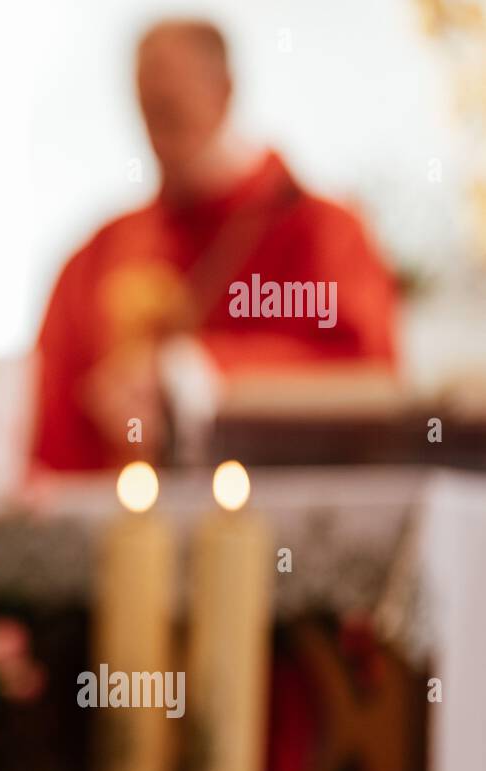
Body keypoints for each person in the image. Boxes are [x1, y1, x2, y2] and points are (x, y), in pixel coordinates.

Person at [31, 18, 397, 472]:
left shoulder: (320, 231)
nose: (160, 125)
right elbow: (48, 435)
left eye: (174, 104)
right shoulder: (99, 258)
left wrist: (196, 374)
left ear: (224, 91)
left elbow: (371, 383)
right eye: (151, 108)